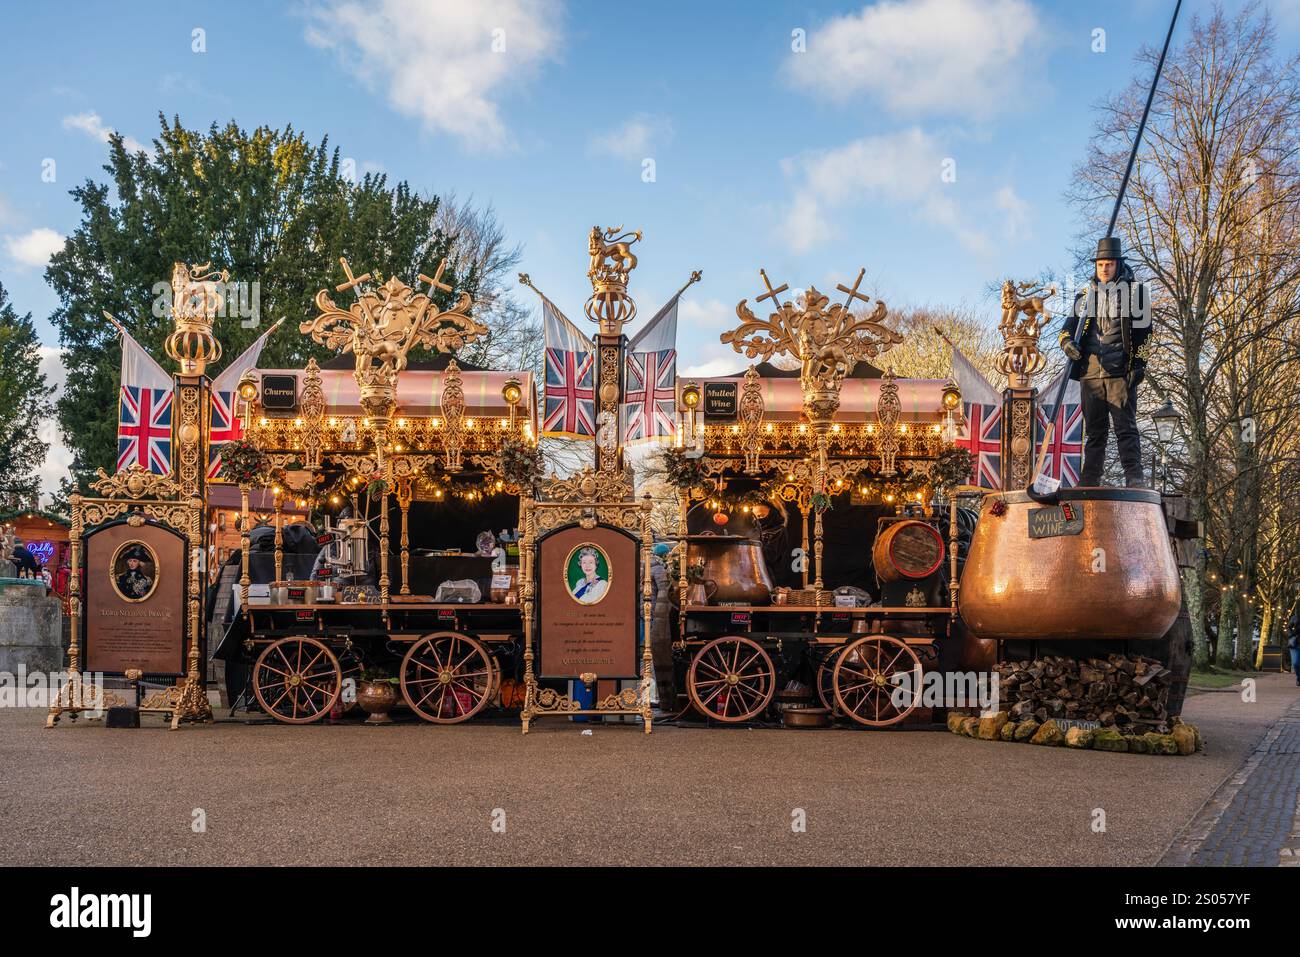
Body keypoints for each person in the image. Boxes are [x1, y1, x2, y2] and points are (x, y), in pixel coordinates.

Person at [1059, 236, 1153, 487]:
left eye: (1109, 264)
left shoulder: (1136, 293)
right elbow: (1067, 329)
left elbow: (1145, 333)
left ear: (1118, 265)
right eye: (1100, 264)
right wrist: (1068, 345)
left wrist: (1139, 364)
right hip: (1090, 373)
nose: (1104, 269)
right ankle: (1090, 480)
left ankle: (1134, 477)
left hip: (1119, 372)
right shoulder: (1085, 294)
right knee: (1094, 432)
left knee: (1126, 428)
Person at [1289, 608, 1300, 687]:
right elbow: (1288, 627)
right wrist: (1291, 635)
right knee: (1295, 663)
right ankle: (1299, 677)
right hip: (1295, 643)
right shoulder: (1295, 617)